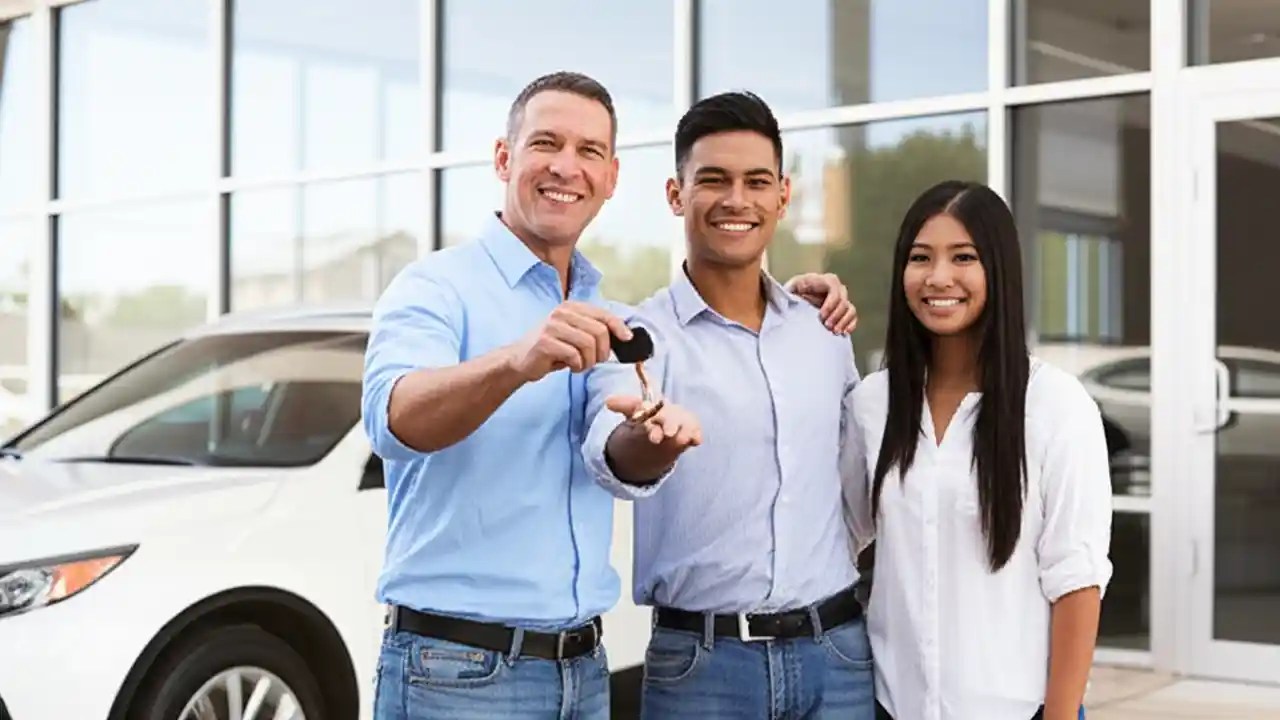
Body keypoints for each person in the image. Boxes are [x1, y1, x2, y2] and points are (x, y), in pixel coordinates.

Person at [361, 71, 855, 719]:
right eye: (547, 143)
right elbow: (395, 420)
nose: (567, 166)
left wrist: (652, 440)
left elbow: (614, 450)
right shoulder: (435, 287)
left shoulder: (607, 314)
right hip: (458, 672)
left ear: (611, 177)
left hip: (581, 674)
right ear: (504, 158)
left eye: (589, 151)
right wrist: (518, 360)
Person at [582, 90, 876, 719]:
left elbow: (857, 477)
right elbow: (613, 454)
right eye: (713, 180)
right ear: (675, 194)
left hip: (839, 658)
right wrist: (650, 443)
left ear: (782, 196)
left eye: (756, 182)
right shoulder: (636, 337)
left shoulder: (823, 332)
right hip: (703, 670)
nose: (736, 200)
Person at [841, 180, 1112, 720]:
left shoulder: (1056, 405)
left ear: (999, 269)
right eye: (921, 258)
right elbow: (842, 535)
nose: (938, 277)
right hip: (892, 708)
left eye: (963, 257)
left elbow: (1076, 583)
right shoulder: (872, 405)